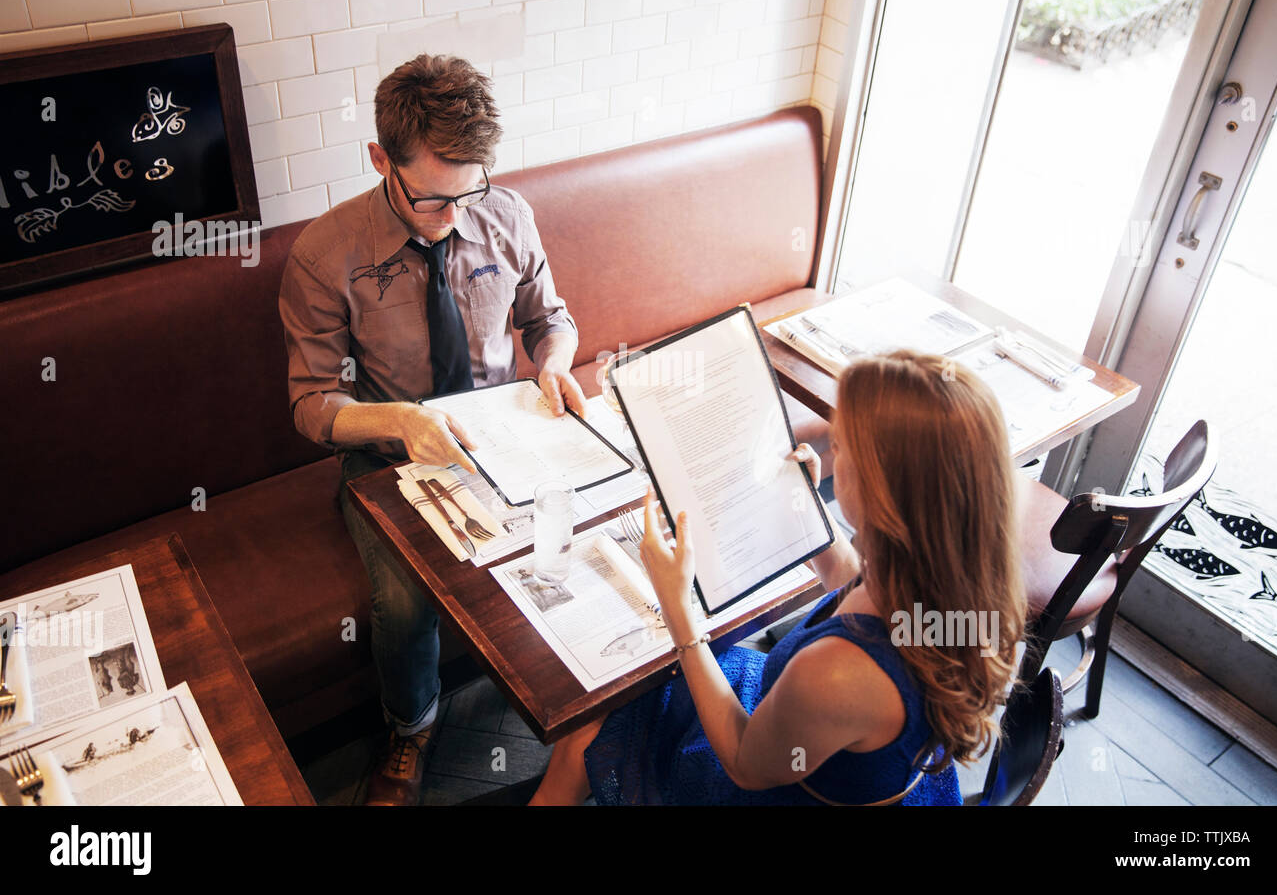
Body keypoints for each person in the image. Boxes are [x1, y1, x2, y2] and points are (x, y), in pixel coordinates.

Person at [279, 53, 585, 806]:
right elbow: (311, 403)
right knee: (408, 603)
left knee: (583, 529)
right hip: (385, 457)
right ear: (381, 159)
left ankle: (574, 712)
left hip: (507, 434)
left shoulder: (507, 213)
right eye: (434, 200)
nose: (458, 215)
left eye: (470, 189)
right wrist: (403, 424)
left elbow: (552, 320)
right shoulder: (326, 254)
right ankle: (410, 728)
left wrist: (553, 363)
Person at [530, 350, 1027, 805]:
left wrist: (680, 613)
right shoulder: (947, 579)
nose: (834, 455)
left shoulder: (838, 673)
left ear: (884, 493)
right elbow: (849, 581)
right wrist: (804, 508)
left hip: (767, 774)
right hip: (840, 755)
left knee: (589, 727)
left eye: (842, 445)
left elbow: (746, 763)